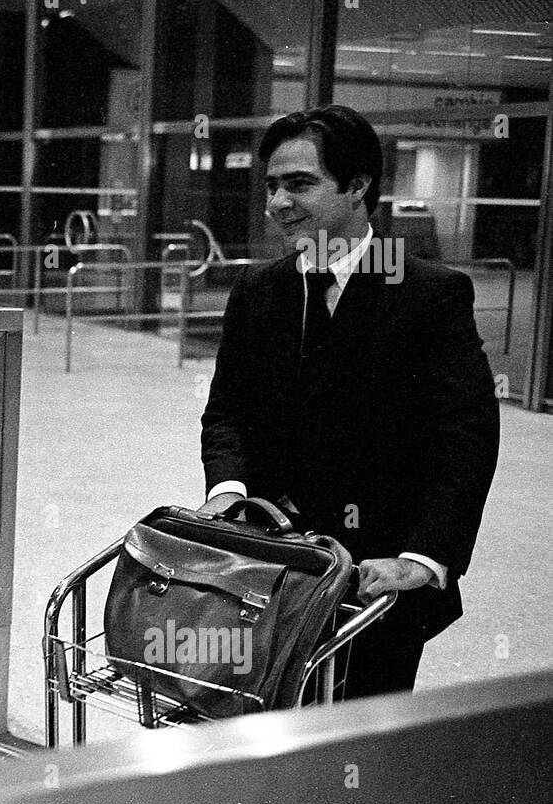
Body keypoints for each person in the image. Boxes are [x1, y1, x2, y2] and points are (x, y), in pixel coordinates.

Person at [199, 104, 500, 701]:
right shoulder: (261, 290)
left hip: (374, 579)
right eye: (273, 186)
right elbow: (227, 410)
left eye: (300, 184)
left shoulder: (425, 291)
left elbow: (464, 437)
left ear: (358, 186)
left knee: (360, 739)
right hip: (270, 562)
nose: (278, 203)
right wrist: (228, 491)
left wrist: (425, 558)